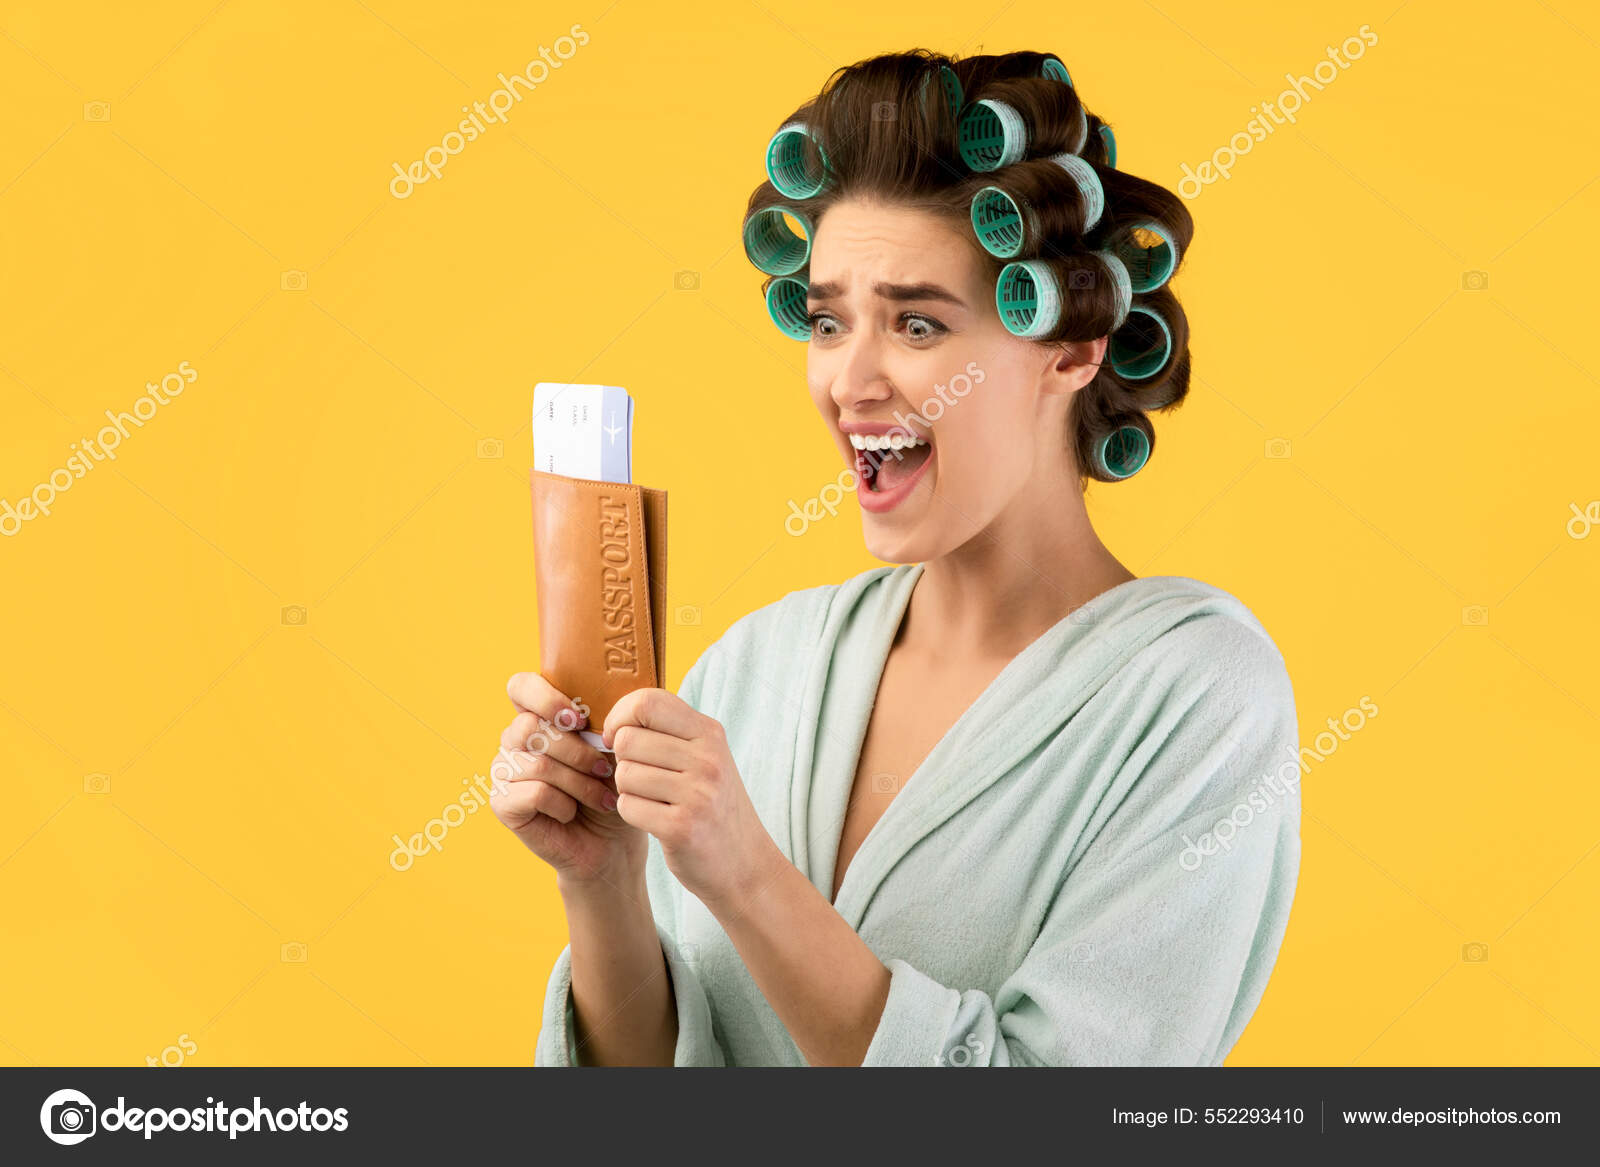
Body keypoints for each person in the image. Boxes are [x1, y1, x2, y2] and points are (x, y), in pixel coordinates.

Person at [494, 48, 1301, 1066]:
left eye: (916, 322)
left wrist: (743, 871)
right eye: (829, 322)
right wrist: (602, 881)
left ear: (1070, 347)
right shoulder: (757, 665)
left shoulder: (1193, 698)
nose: (850, 380)